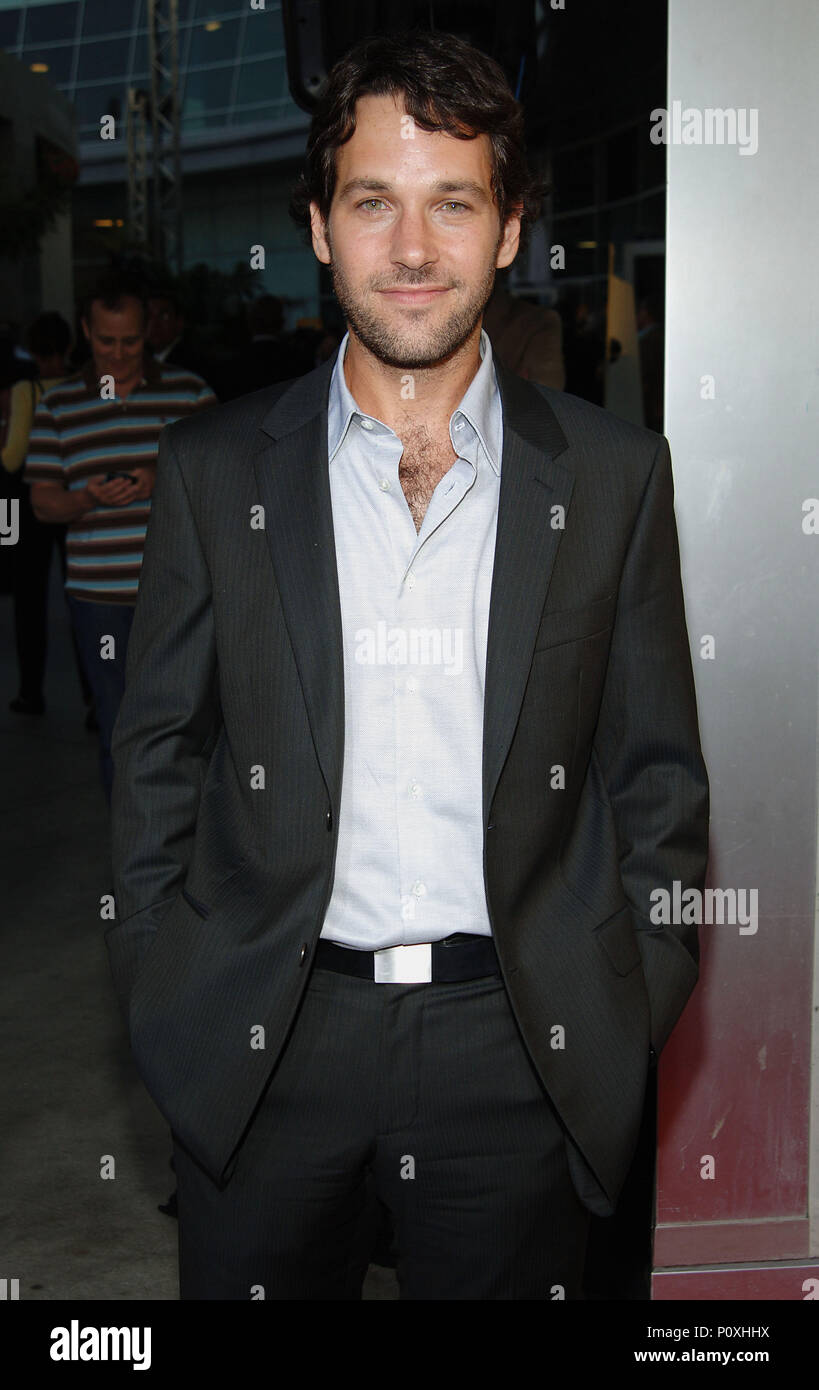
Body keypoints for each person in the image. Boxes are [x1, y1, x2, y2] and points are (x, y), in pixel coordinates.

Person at [107, 30, 709, 1300]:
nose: (415, 248)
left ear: (510, 229)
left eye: (455, 203)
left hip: (518, 1042)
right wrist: (170, 986)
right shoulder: (214, 472)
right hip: (267, 1036)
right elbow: (157, 753)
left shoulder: (612, 477)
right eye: (374, 202)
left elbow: (657, 778)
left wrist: (623, 1000)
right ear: (319, 227)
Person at [24, 272, 217, 803]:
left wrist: (164, 479)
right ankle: (135, 841)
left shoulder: (190, 392)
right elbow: (42, 503)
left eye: (130, 341)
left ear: (147, 331)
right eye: (106, 341)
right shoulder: (58, 405)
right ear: (86, 331)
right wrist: (87, 497)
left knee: (190, 722)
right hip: (99, 600)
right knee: (118, 724)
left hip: (179, 595)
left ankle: (192, 834)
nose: (118, 353)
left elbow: (226, 484)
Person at [2, 312, 94, 718]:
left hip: (31, 504)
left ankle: (30, 692)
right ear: (70, 345)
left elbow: (12, 458)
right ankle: (94, 696)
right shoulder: (83, 385)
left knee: (29, 601)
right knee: (84, 600)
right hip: (77, 501)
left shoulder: (26, 390)